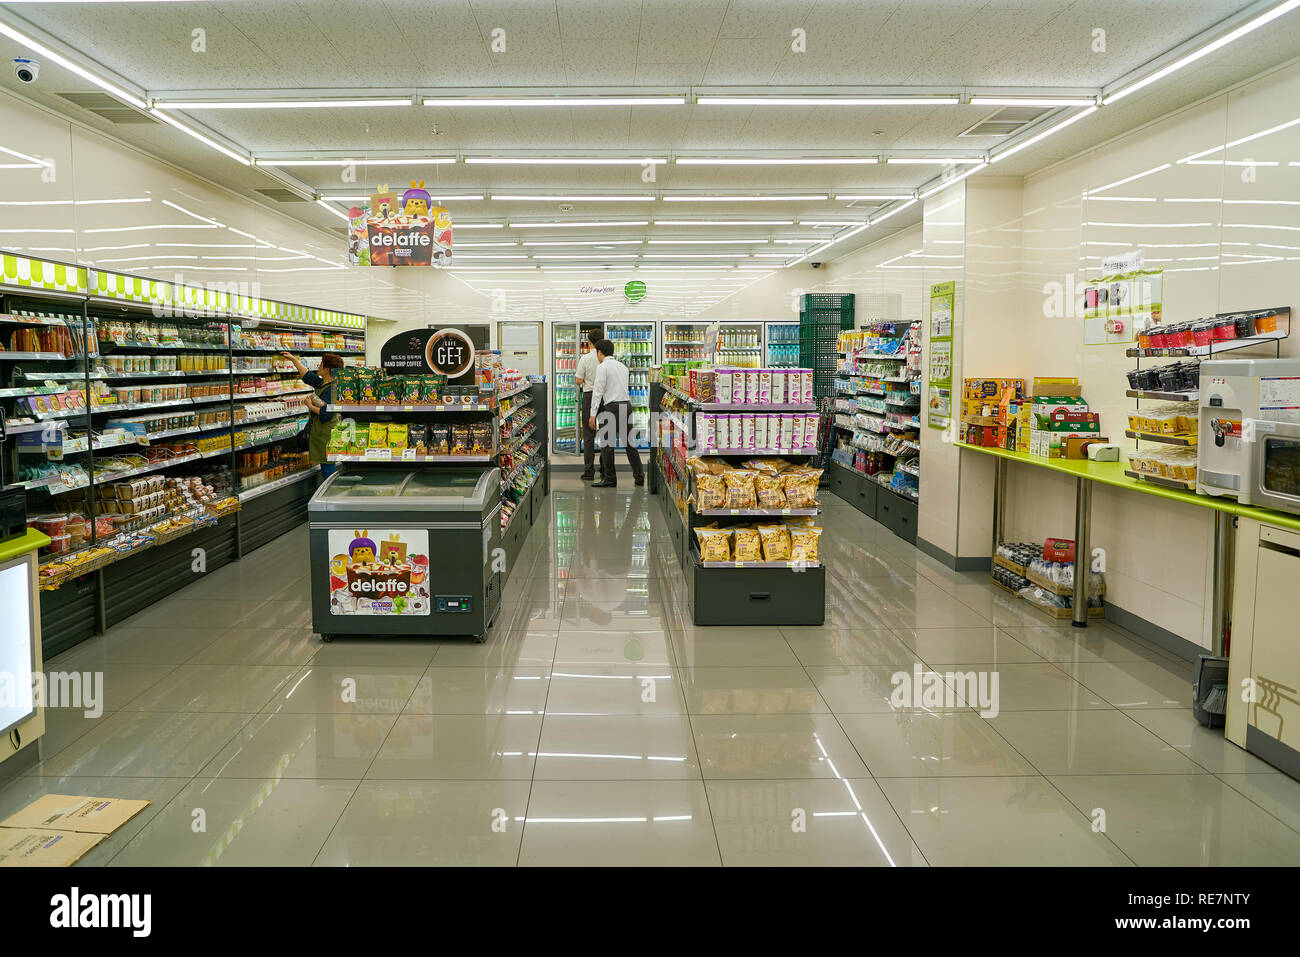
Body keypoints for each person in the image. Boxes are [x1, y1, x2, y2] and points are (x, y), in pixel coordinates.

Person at [588, 338, 644, 488]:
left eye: (596, 353)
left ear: (600, 352)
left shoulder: (602, 367)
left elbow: (598, 392)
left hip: (611, 408)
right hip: (626, 406)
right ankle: (639, 477)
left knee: (607, 445)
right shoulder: (623, 366)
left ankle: (610, 479)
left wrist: (592, 414)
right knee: (629, 444)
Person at [282, 351, 342, 478]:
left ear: (327, 369)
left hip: (326, 435)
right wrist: (294, 360)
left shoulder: (332, 389)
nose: (318, 366)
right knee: (326, 464)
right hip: (320, 434)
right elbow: (307, 376)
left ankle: (330, 494)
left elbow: (327, 415)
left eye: (321, 364)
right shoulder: (322, 383)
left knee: (328, 467)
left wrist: (310, 406)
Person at [574, 328, 602, 480]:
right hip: (605, 397)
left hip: (589, 396)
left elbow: (578, 380)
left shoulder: (585, 359)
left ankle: (589, 471)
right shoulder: (605, 358)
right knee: (606, 433)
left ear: (589, 342)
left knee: (589, 435)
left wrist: (585, 379)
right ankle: (605, 468)